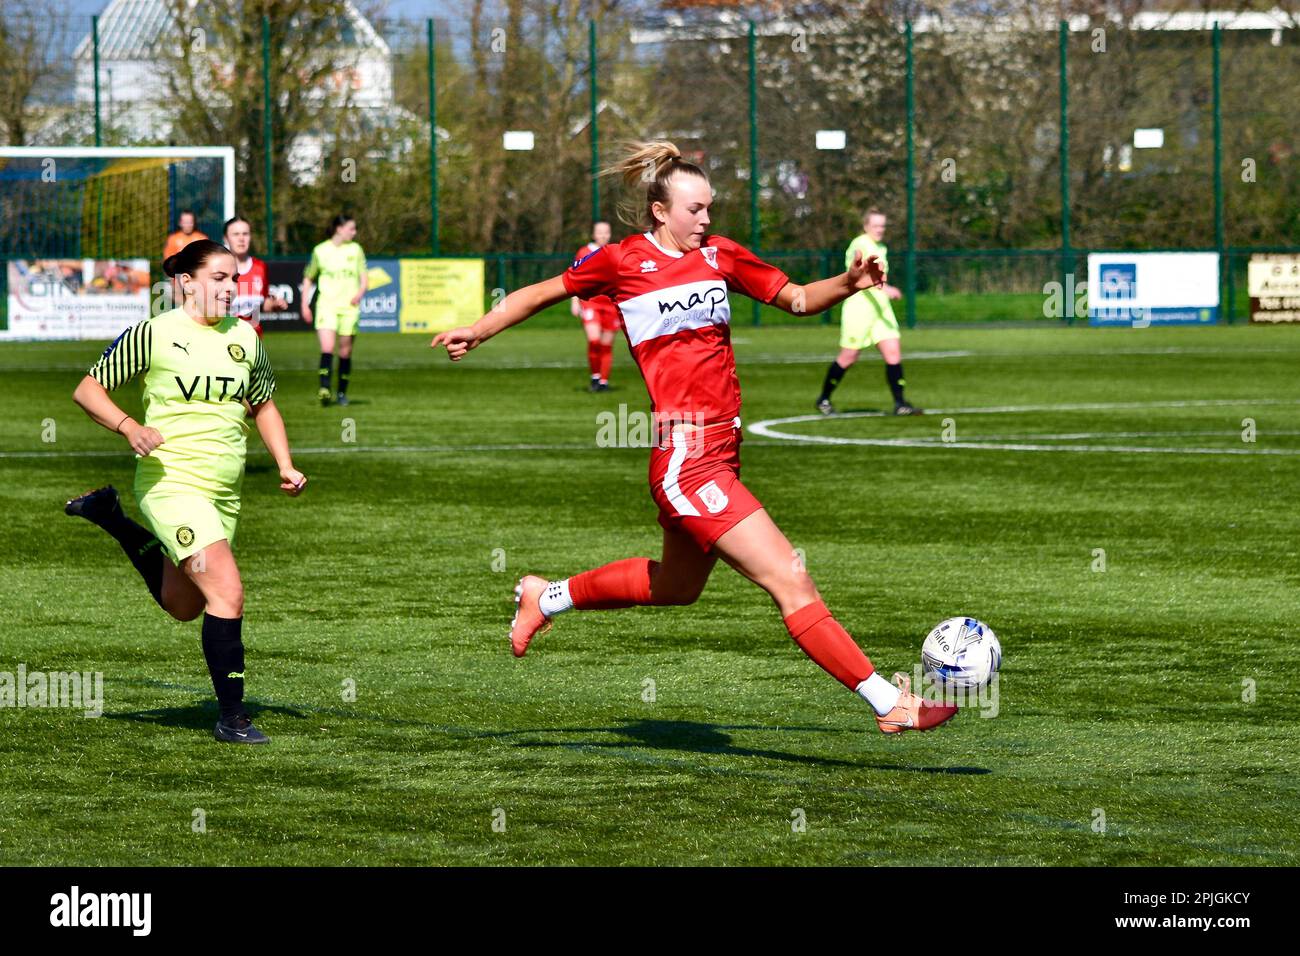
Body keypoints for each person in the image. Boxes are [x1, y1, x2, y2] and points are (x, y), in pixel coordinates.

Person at [432, 141, 956, 735]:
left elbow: (800, 299)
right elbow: (540, 293)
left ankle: (543, 597)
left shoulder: (720, 255)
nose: (706, 220)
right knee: (790, 576)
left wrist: (850, 280)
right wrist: (478, 329)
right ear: (661, 211)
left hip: (721, 454)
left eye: (710, 209)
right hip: (687, 460)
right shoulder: (621, 262)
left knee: (675, 587)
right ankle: (889, 702)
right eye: (695, 210)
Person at [65, 239, 307, 744]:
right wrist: (129, 427)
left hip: (224, 492)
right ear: (187, 282)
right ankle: (233, 717)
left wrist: (285, 464)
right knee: (227, 592)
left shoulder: (245, 336)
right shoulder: (154, 332)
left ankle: (110, 516)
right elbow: (88, 389)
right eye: (219, 278)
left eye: (233, 279)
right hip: (171, 484)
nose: (229, 288)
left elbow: (262, 405)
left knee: (184, 603)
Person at [815, 208, 920, 416]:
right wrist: (886, 288)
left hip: (880, 310)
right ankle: (824, 399)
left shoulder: (881, 246)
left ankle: (900, 404)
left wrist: (884, 290)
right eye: (876, 225)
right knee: (849, 356)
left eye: (883, 225)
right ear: (866, 226)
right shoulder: (860, 244)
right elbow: (859, 277)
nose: (880, 229)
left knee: (893, 352)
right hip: (859, 308)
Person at [301, 214, 367, 407]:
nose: (354, 233)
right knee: (327, 348)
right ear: (339, 228)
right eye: (351, 228)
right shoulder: (320, 250)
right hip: (326, 306)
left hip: (350, 308)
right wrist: (304, 304)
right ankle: (324, 389)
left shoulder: (356, 250)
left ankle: (341, 393)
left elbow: (364, 278)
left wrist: (360, 293)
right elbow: (308, 278)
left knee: (345, 352)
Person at [571, 220, 621, 391]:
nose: (603, 235)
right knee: (594, 340)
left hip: (611, 305)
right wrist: (574, 301)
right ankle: (595, 377)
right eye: (600, 232)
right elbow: (574, 278)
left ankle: (603, 381)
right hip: (590, 302)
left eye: (606, 232)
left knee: (606, 345)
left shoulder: (615, 251)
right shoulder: (584, 252)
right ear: (593, 234)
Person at [222, 215, 287, 338]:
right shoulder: (218, 269)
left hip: (253, 341)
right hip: (224, 340)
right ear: (226, 238)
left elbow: (263, 304)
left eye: (245, 234)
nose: (241, 238)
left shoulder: (260, 267)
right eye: (236, 234)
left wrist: (274, 305)